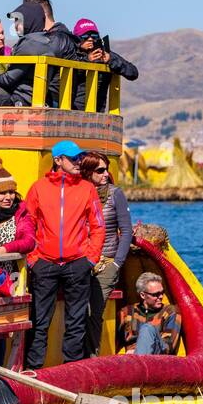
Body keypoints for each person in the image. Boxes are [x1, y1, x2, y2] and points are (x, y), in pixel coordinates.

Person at [22, 140, 105, 368]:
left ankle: (72, 370)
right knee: (39, 320)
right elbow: (28, 224)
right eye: (73, 158)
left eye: (79, 157)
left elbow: (98, 226)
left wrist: (90, 259)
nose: (78, 162)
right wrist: (32, 260)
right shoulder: (38, 188)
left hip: (77, 264)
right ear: (58, 160)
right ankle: (34, 371)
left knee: (76, 321)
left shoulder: (87, 189)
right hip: (44, 264)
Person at [81, 152, 132, 357]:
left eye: (107, 169)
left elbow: (126, 231)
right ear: (88, 172)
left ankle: (91, 358)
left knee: (95, 312)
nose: (106, 174)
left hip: (107, 262)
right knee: (78, 313)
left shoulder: (115, 194)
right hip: (82, 262)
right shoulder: (79, 193)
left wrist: (117, 263)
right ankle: (75, 360)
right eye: (100, 170)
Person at [73, 18, 138, 113]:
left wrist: (111, 60)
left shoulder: (105, 54)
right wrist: (87, 61)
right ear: (77, 38)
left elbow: (133, 73)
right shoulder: (70, 53)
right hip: (72, 110)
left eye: (94, 36)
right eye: (85, 36)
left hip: (98, 113)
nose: (90, 39)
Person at [119, 272, 182, 355]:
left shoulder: (170, 311)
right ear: (143, 295)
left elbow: (168, 347)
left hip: (158, 357)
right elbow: (116, 341)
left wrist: (137, 351)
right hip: (131, 358)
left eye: (162, 292)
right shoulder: (127, 312)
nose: (161, 297)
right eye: (156, 294)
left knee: (147, 328)